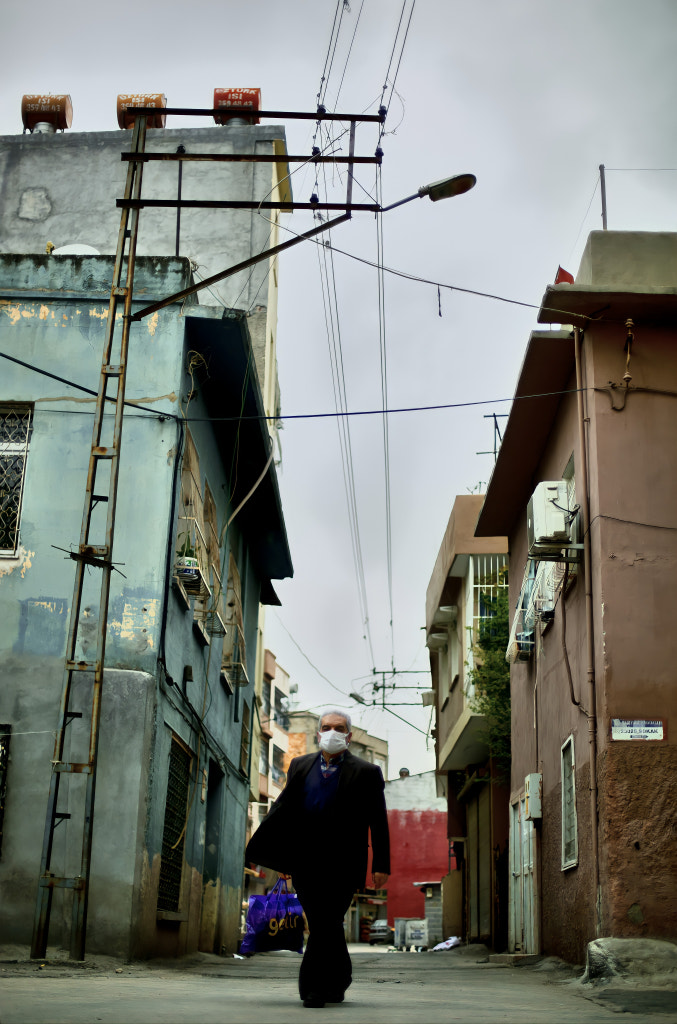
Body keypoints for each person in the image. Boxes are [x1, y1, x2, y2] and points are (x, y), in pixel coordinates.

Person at [246, 709, 390, 1009]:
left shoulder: (366, 772)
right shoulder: (300, 766)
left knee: (329, 921)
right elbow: (286, 813)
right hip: (305, 862)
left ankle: (314, 989)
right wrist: (282, 862)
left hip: (345, 863)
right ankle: (339, 980)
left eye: (339, 728)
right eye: (327, 727)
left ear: (348, 736)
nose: (332, 732)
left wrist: (381, 865)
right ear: (318, 733)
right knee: (326, 924)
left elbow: (377, 820)